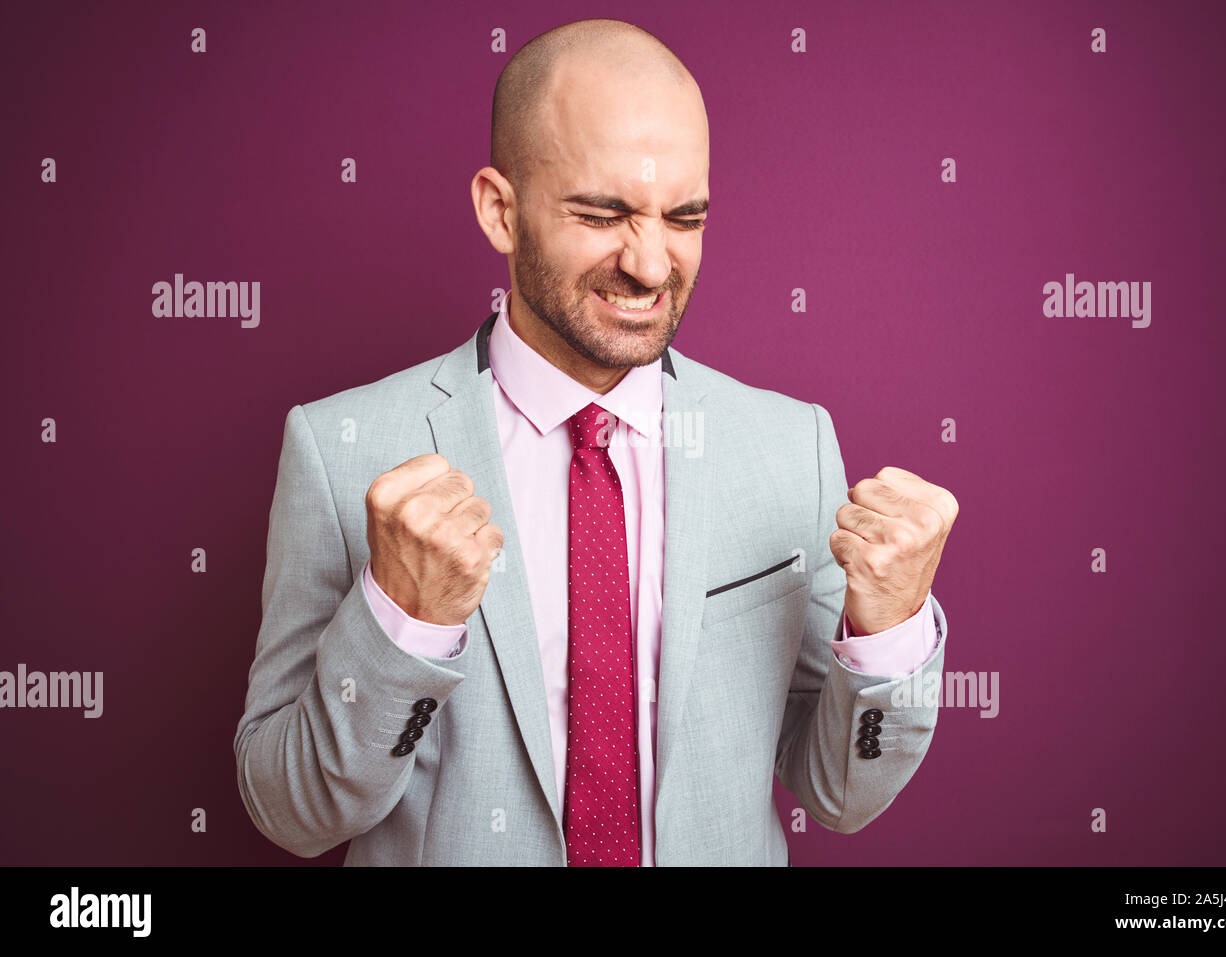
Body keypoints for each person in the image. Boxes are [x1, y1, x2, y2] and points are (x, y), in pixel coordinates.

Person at [235, 17, 959, 867]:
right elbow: (291, 812)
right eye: (603, 212)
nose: (651, 266)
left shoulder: (790, 446)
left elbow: (838, 789)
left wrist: (892, 635)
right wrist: (399, 625)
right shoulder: (341, 448)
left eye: (683, 217)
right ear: (501, 211)